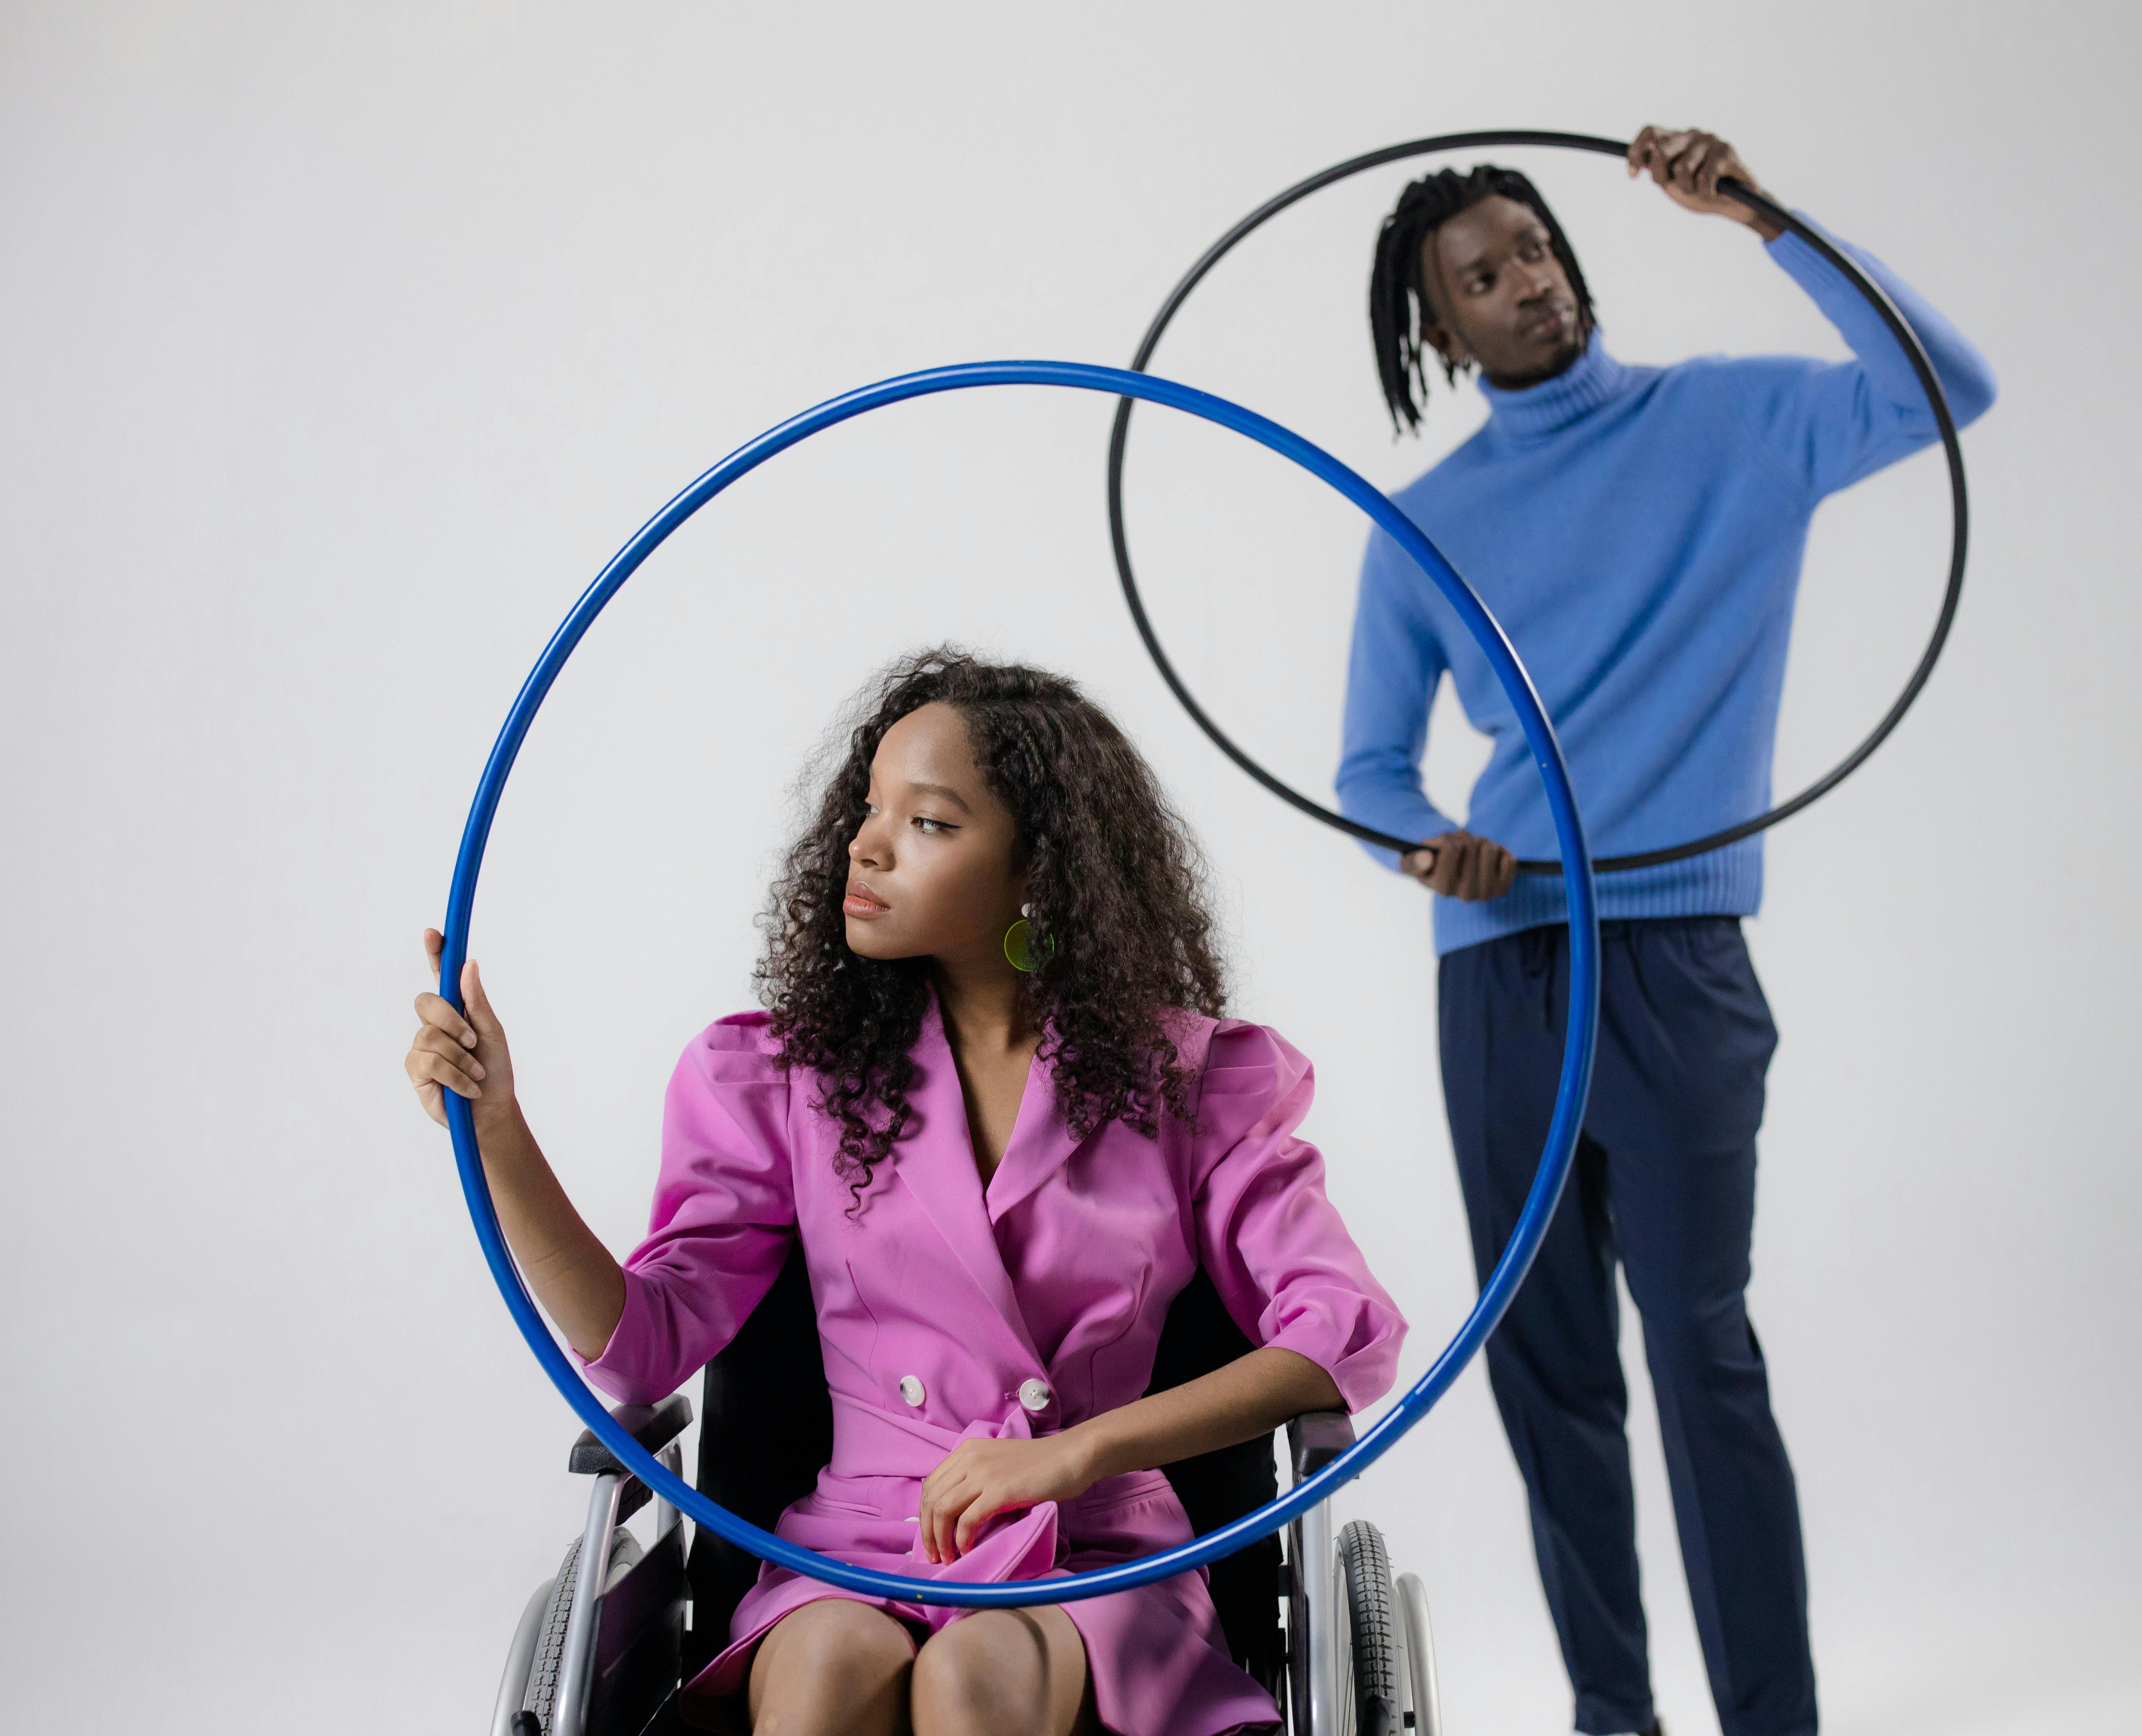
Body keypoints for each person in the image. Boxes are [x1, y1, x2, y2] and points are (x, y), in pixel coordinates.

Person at [407, 649, 1406, 1736]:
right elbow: (643, 1345)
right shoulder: (781, 1077)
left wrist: (1076, 1453)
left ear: (1041, 871)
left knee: (976, 1682)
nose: (867, 845)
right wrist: (499, 1131)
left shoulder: (1198, 1083)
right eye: (869, 808)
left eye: (928, 823)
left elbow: (1341, 1336)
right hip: (852, 1544)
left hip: (1093, 1553)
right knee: (826, 1674)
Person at [1335, 128, 1997, 1736]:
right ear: (1439, 330)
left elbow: (1948, 389)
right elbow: (1369, 771)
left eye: (1535, 249)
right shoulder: (1422, 522)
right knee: (1548, 1369)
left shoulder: (1739, 421)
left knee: (1704, 1354)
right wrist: (1438, 848)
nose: (1526, 284)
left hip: (1682, 959)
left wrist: (1763, 216)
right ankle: (1611, 1719)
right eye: (1480, 277)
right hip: (1505, 973)